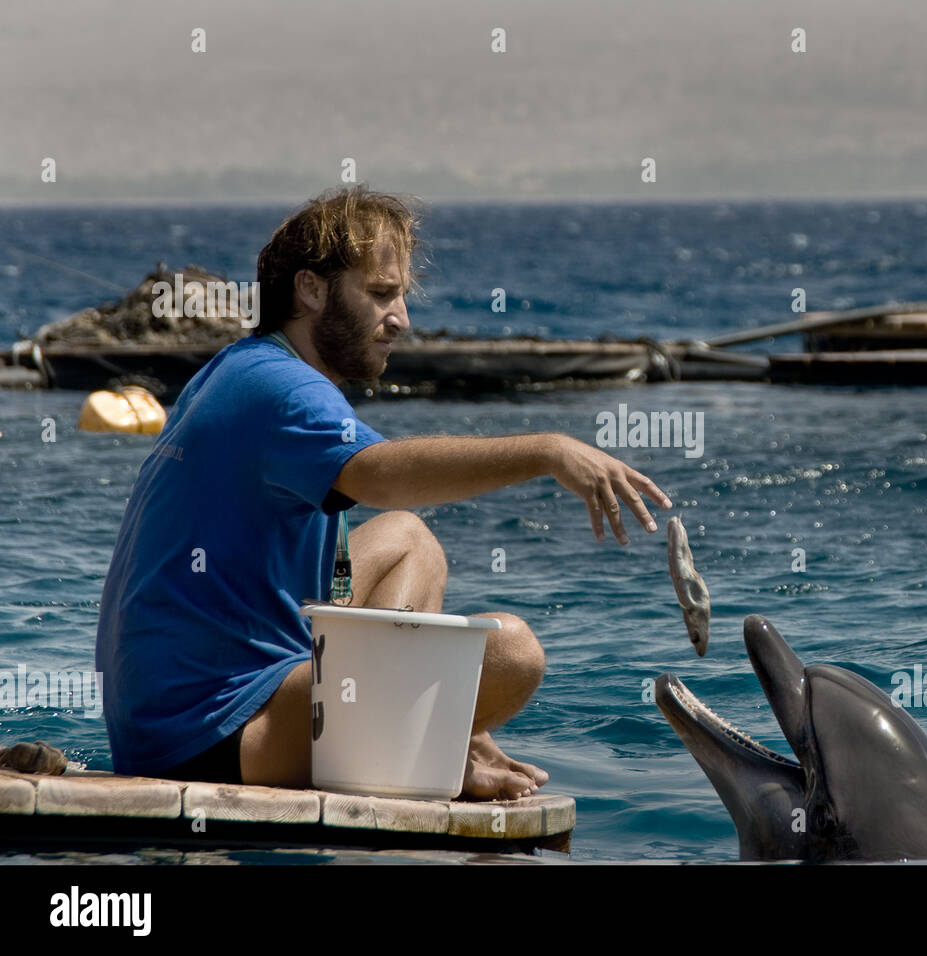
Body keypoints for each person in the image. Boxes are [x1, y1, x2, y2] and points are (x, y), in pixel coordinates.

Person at [95, 186, 671, 800]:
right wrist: (547, 451)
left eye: (400, 295)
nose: (400, 318)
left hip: (173, 719)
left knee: (408, 540)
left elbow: (351, 552)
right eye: (378, 294)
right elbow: (379, 473)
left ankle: (426, 741)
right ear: (311, 290)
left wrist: (456, 721)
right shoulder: (281, 387)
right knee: (512, 652)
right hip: (205, 737)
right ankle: (416, 749)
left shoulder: (242, 366)